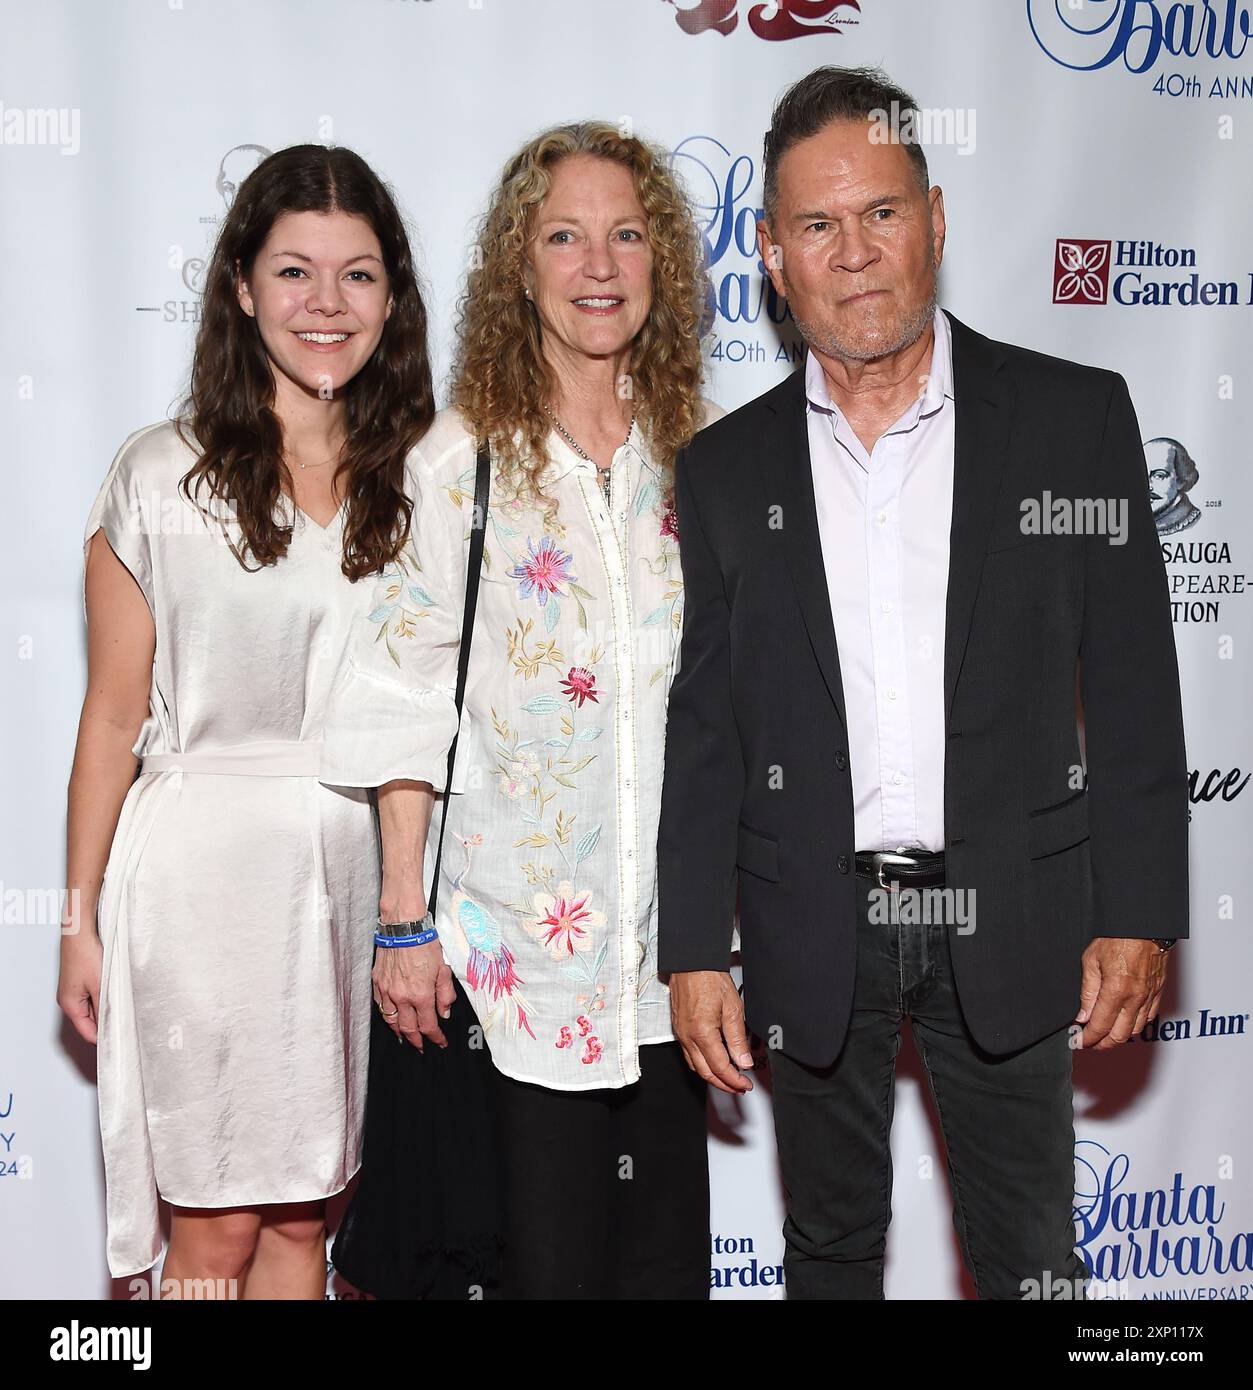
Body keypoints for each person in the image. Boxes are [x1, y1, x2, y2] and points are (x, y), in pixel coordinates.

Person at [657, 66, 1188, 1300]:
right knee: (828, 1259)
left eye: (880, 213)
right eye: (816, 225)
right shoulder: (725, 471)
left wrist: (1139, 907)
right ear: (772, 255)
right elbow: (704, 732)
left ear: (935, 219)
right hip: (809, 927)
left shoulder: (1070, 420)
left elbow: (1131, 690)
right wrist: (690, 945)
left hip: (1009, 908)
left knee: (1026, 1265)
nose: (852, 254)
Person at [319, 121, 724, 1299]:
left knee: (657, 1280)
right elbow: (399, 695)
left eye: (626, 234)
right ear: (519, 267)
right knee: (536, 1275)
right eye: (564, 236)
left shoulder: (700, 458)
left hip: (662, 973)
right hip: (507, 974)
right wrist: (403, 922)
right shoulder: (456, 462)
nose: (598, 263)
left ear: (662, 265)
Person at [60, 145, 436, 1296]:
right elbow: (113, 710)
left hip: (341, 876)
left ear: (392, 294)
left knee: (304, 1218)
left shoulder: (422, 474)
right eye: (293, 272)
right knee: (215, 1226)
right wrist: (76, 918)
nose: (326, 304)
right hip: (200, 875)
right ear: (238, 286)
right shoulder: (159, 475)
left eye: (357, 275)